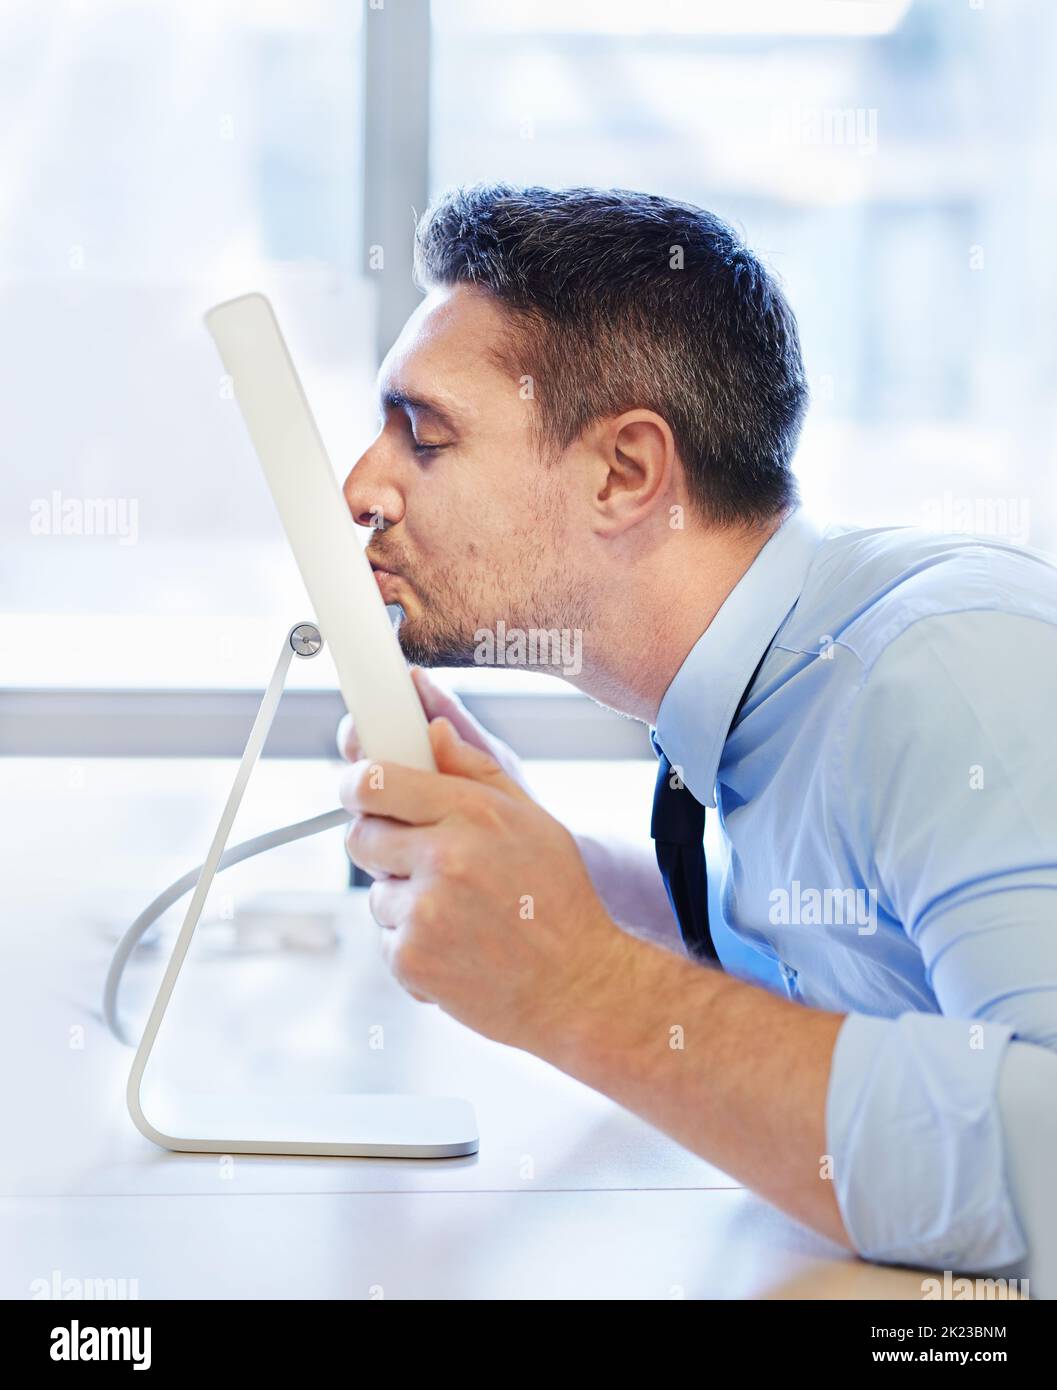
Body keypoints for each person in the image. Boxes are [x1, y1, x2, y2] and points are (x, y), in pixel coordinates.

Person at [337, 183, 1057, 1292]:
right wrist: (554, 878)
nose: (359, 487)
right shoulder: (774, 691)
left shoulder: (943, 675)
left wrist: (576, 984)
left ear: (626, 473)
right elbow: (838, 954)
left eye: (422, 436)